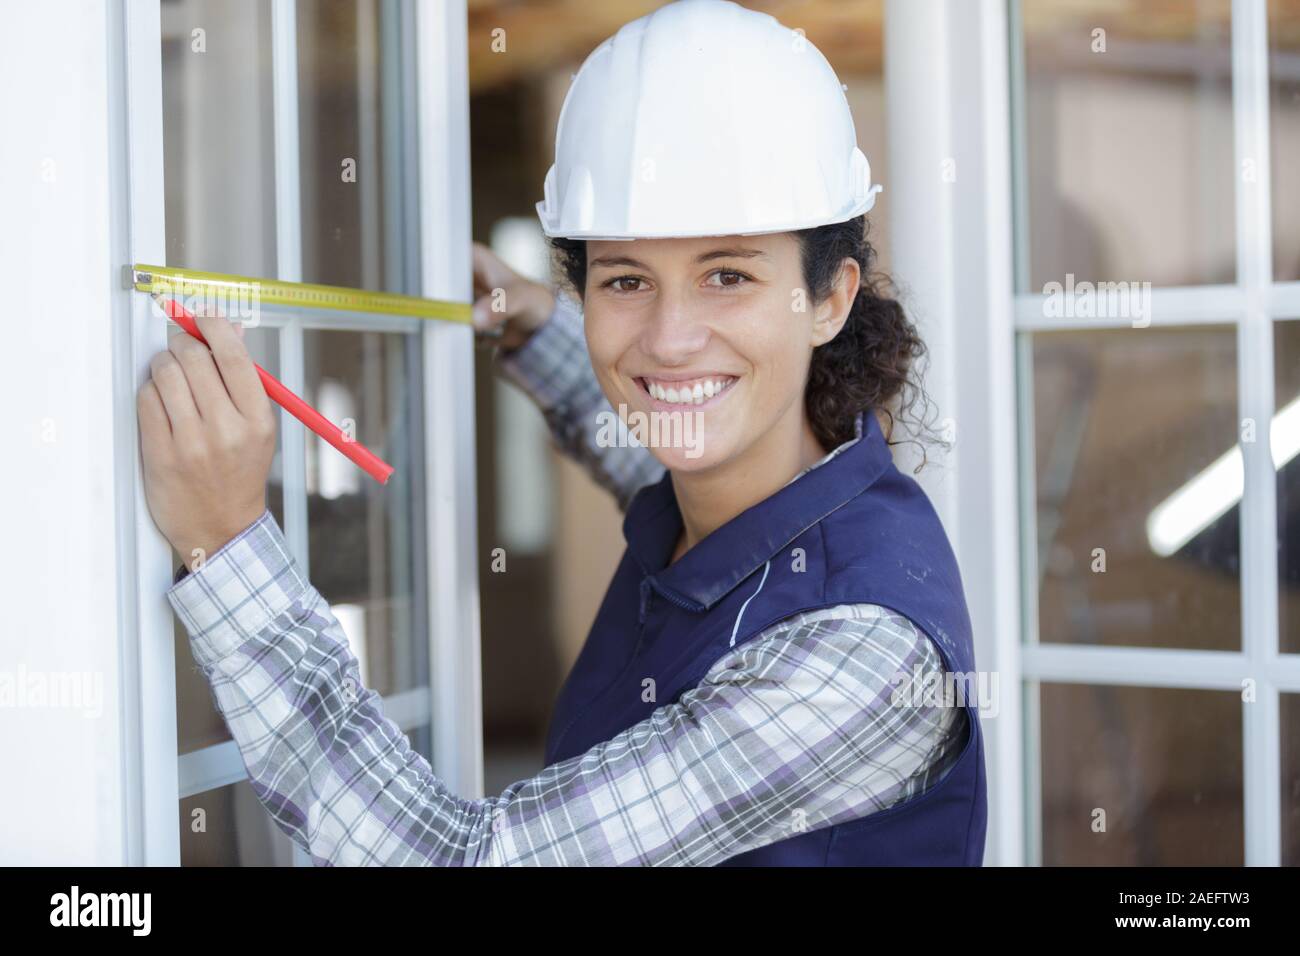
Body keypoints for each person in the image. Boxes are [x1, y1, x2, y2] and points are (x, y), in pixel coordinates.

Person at [139, 0, 986, 865]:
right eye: (625, 281)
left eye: (726, 275)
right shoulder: (756, 495)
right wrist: (532, 325)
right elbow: (651, 433)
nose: (668, 336)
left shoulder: (855, 661)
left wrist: (225, 542)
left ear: (830, 299)